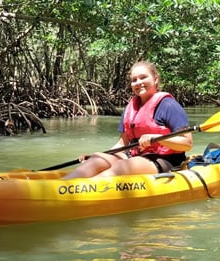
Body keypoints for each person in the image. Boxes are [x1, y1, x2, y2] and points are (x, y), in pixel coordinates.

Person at [62, 61, 193, 178]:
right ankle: (63, 186)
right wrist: (102, 154)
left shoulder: (168, 105)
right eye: (134, 80)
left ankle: (79, 193)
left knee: (122, 166)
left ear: (155, 79)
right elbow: (122, 144)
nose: (138, 82)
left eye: (143, 77)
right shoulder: (131, 108)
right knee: (97, 159)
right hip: (136, 155)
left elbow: (187, 143)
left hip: (166, 159)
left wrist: (157, 137)